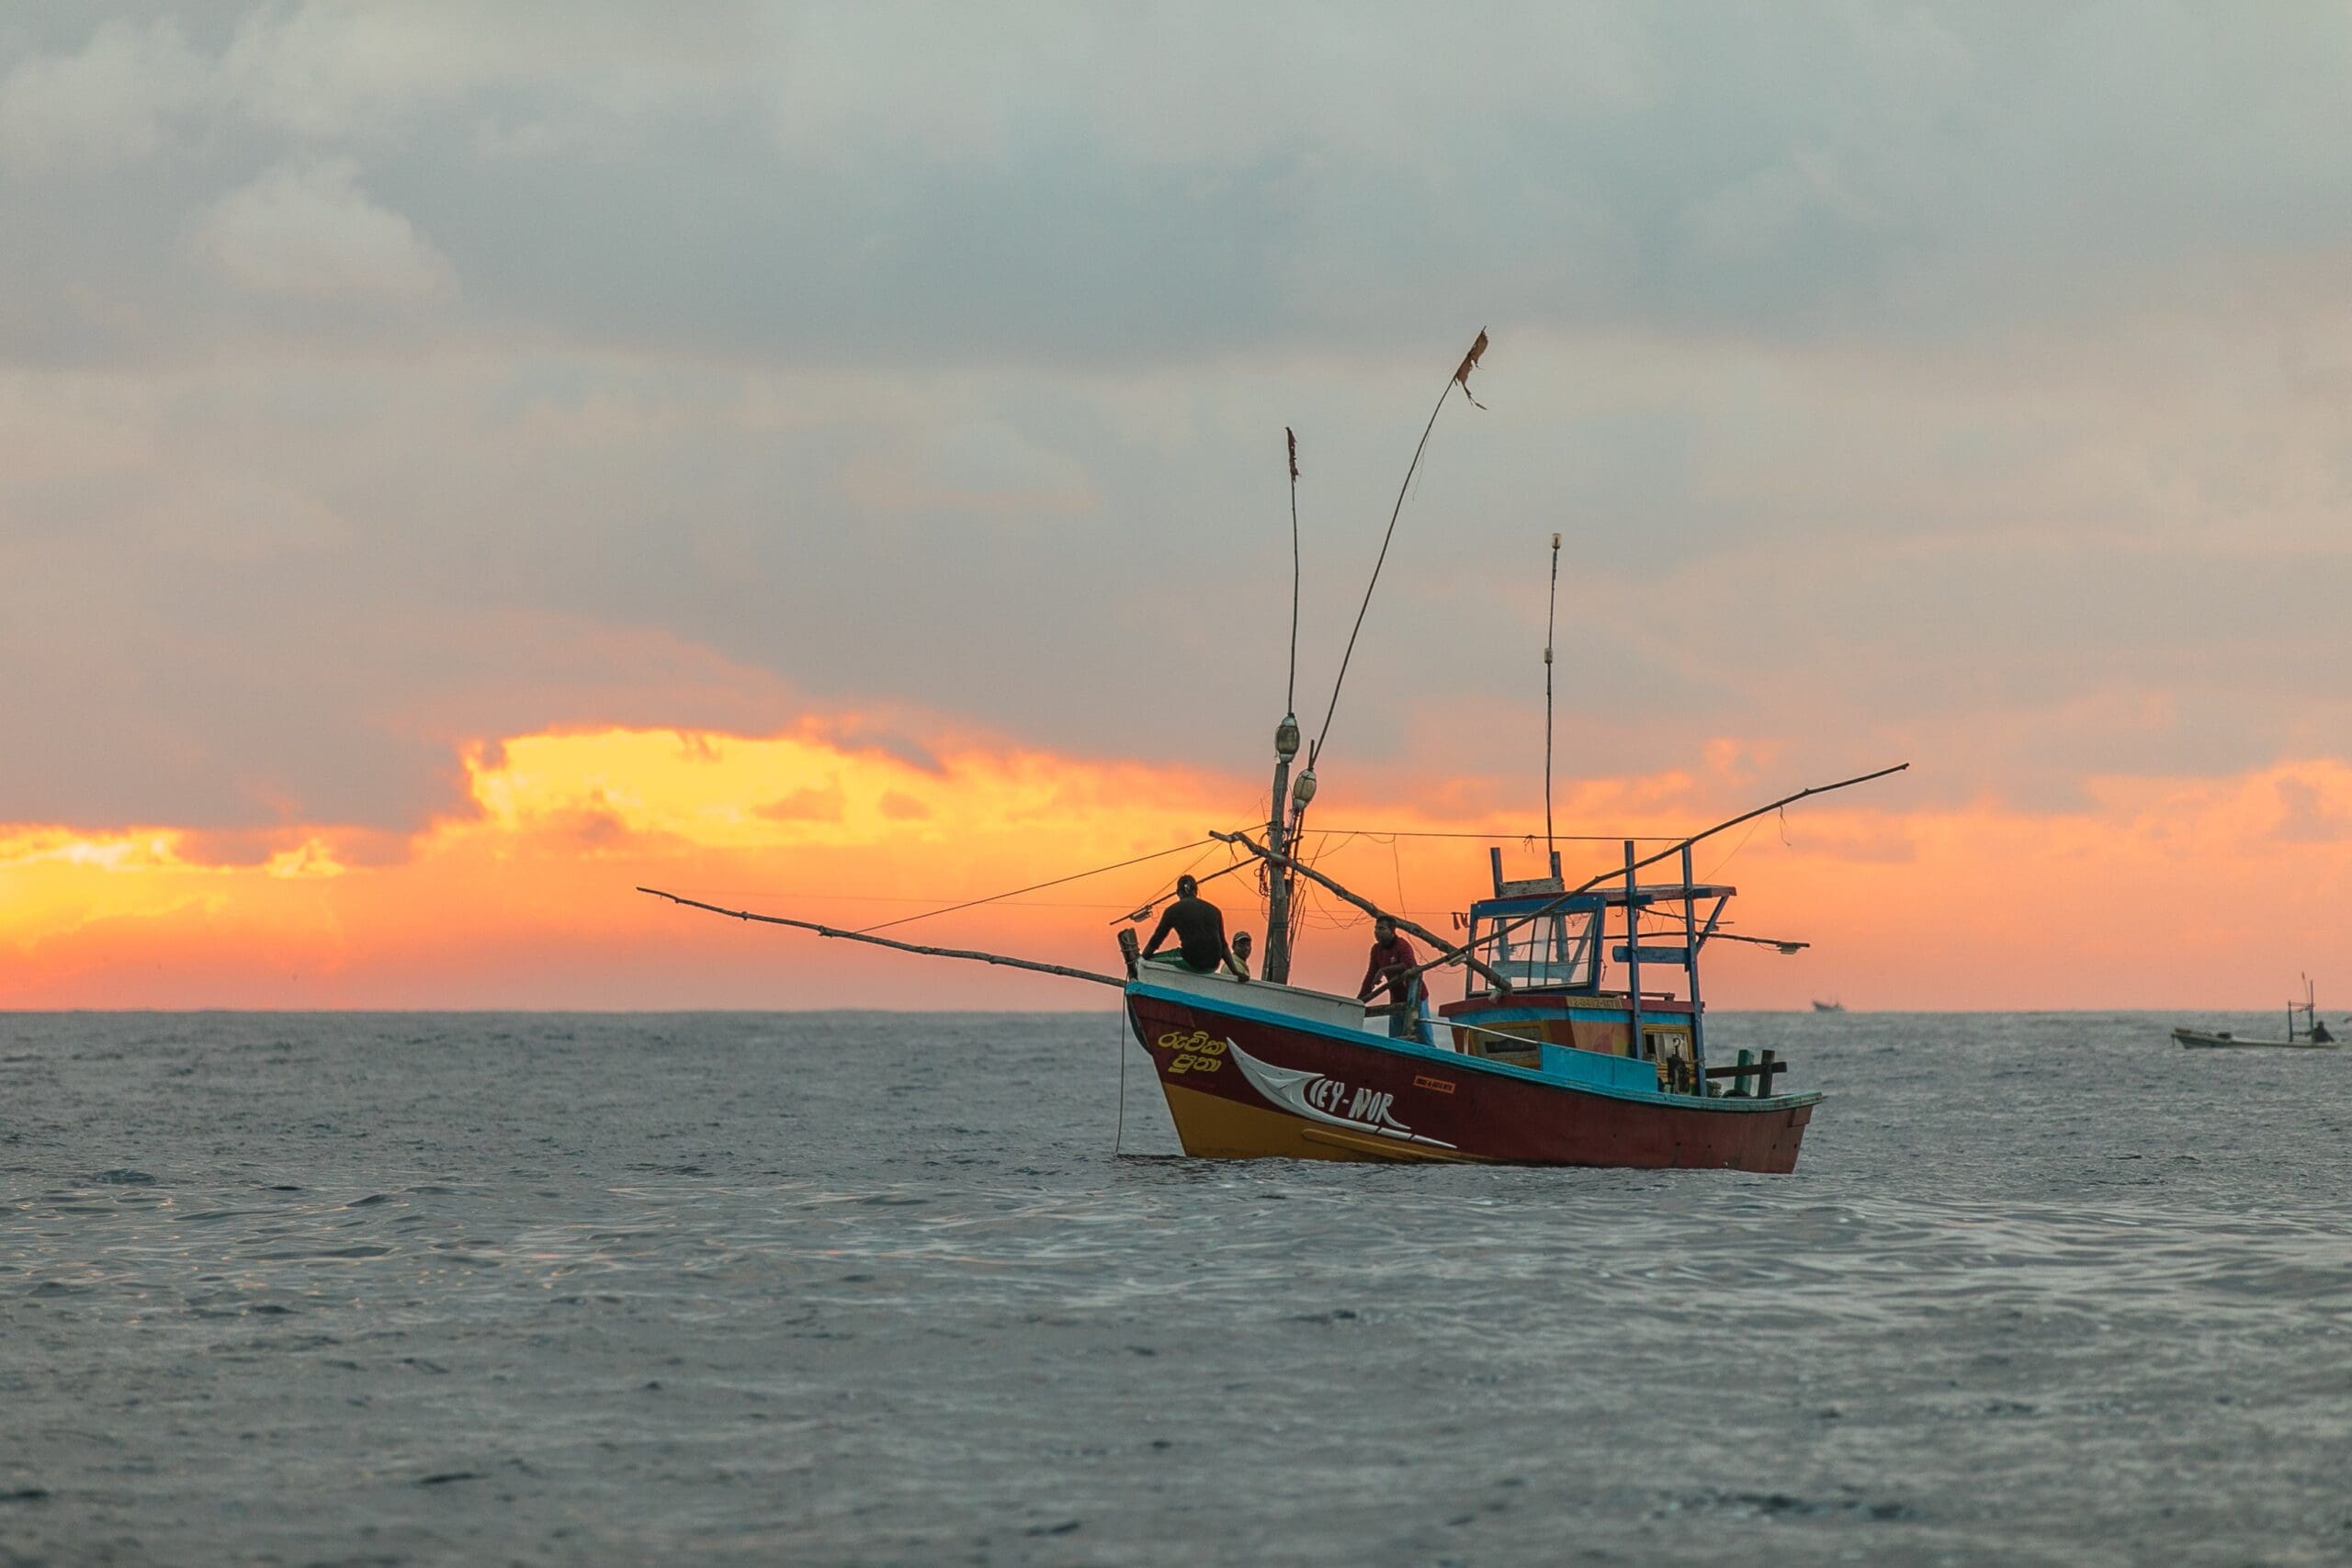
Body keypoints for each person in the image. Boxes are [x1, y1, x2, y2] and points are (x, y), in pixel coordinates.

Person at [1141, 874, 1233, 975]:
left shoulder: (1173, 910)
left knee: (1149, 961)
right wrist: (1236, 971)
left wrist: (1141, 960)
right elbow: (1223, 945)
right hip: (1213, 965)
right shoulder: (1215, 911)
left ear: (1177, 893)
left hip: (1192, 962)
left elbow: (1155, 941)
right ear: (1196, 891)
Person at [1359, 916, 1422, 1039]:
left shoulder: (1402, 945)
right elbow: (1370, 976)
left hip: (1416, 997)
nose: (1377, 932)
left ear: (1392, 930)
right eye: (1376, 928)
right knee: (1395, 1039)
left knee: (1424, 1038)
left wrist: (1384, 970)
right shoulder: (1376, 950)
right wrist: (1359, 1001)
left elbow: (1409, 965)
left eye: (1382, 928)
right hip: (1396, 999)